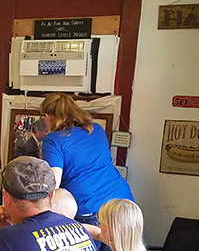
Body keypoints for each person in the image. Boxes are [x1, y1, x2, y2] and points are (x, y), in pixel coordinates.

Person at [40, 92, 133, 224]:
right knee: (123, 245)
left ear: (48, 116)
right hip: (122, 201)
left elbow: (53, 183)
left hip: (90, 208)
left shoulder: (53, 140)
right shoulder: (96, 129)